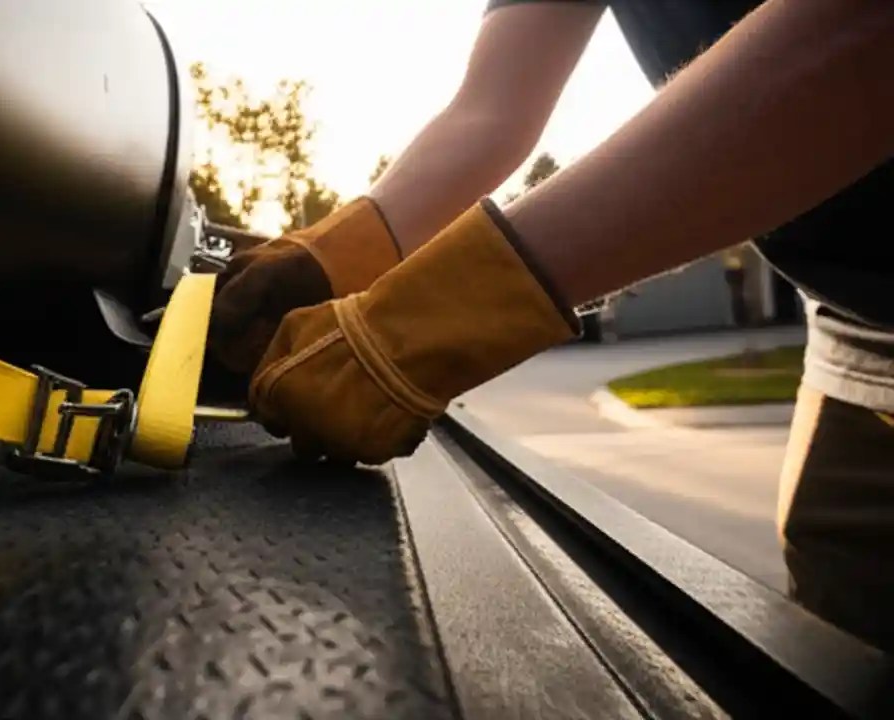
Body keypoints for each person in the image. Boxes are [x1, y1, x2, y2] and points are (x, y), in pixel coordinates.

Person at [207, 1, 894, 651]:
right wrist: (331, 257)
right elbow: (491, 110)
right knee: (843, 656)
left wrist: (425, 324)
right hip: (856, 340)